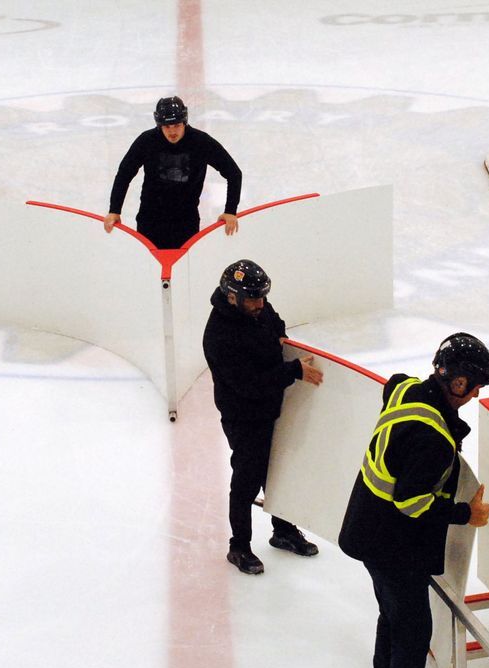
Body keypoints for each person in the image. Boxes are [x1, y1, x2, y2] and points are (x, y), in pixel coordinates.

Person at [339, 333, 489, 668]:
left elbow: (392, 382)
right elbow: (412, 505)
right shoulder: (433, 441)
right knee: (412, 626)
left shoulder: (408, 390)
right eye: (476, 384)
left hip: (366, 529)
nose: (477, 393)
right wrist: (467, 514)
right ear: (458, 384)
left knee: (393, 615)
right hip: (390, 543)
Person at [203, 259, 324, 575]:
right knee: (248, 480)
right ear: (232, 297)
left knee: (278, 471)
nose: (260, 304)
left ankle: (283, 530)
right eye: (253, 298)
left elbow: (274, 319)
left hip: (271, 408)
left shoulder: (258, 308)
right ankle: (239, 547)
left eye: (262, 297)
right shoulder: (218, 335)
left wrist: (281, 335)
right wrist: (294, 369)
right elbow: (249, 384)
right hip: (243, 417)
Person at [104, 96, 242, 249]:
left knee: (184, 270)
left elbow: (234, 173)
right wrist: (114, 210)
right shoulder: (146, 141)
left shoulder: (201, 142)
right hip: (150, 220)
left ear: (184, 122)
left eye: (176, 125)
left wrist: (230, 211)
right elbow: (124, 174)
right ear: (159, 125)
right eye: (166, 126)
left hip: (186, 222)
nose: (172, 131)